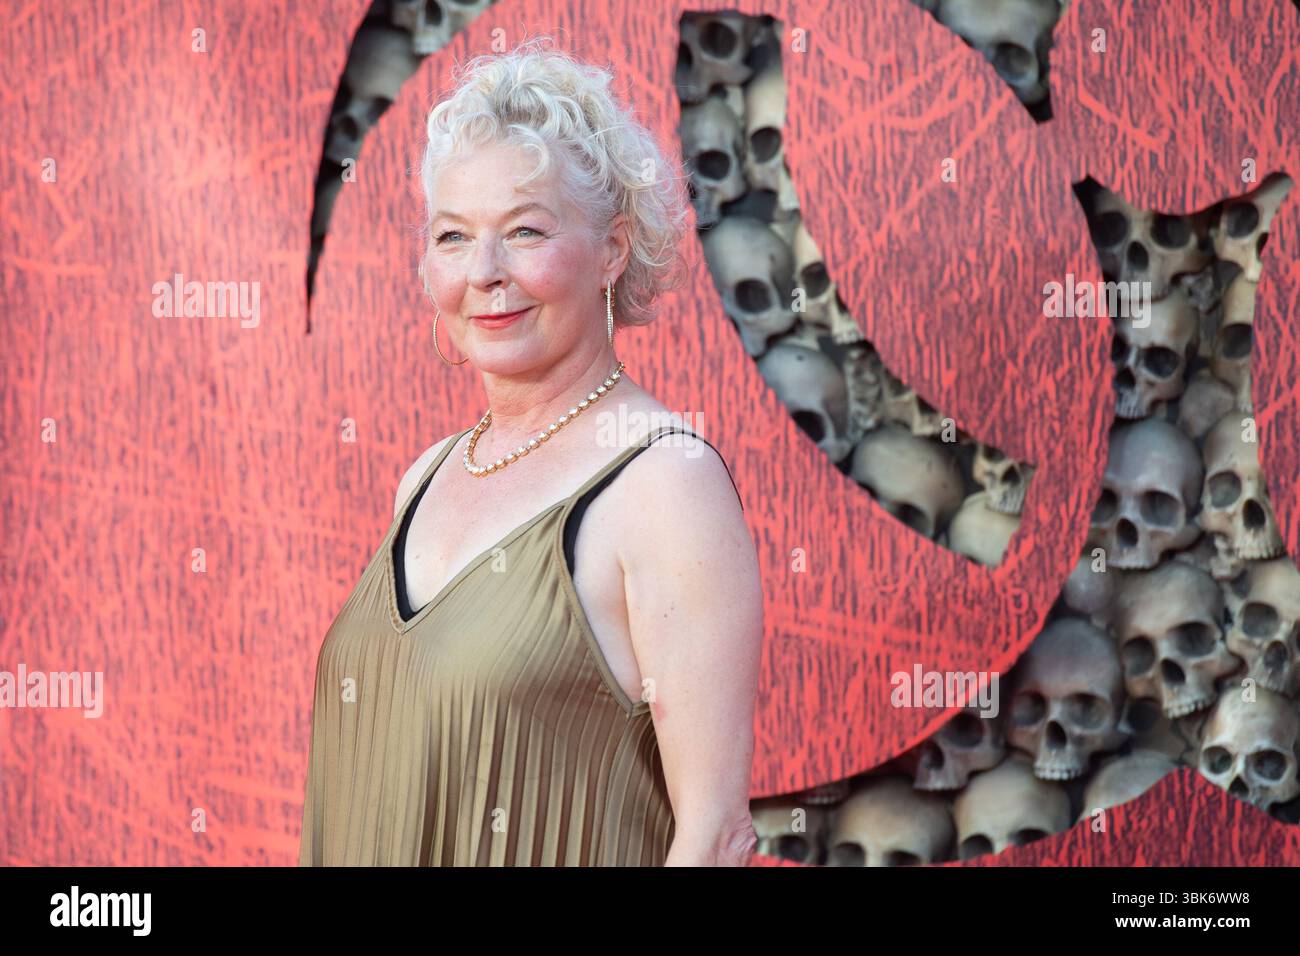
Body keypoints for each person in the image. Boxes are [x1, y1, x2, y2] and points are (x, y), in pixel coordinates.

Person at [298, 37, 764, 866]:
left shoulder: (665, 484)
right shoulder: (428, 476)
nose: (484, 272)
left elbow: (716, 836)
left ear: (613, 250)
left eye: (524, 231)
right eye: (452, 237)